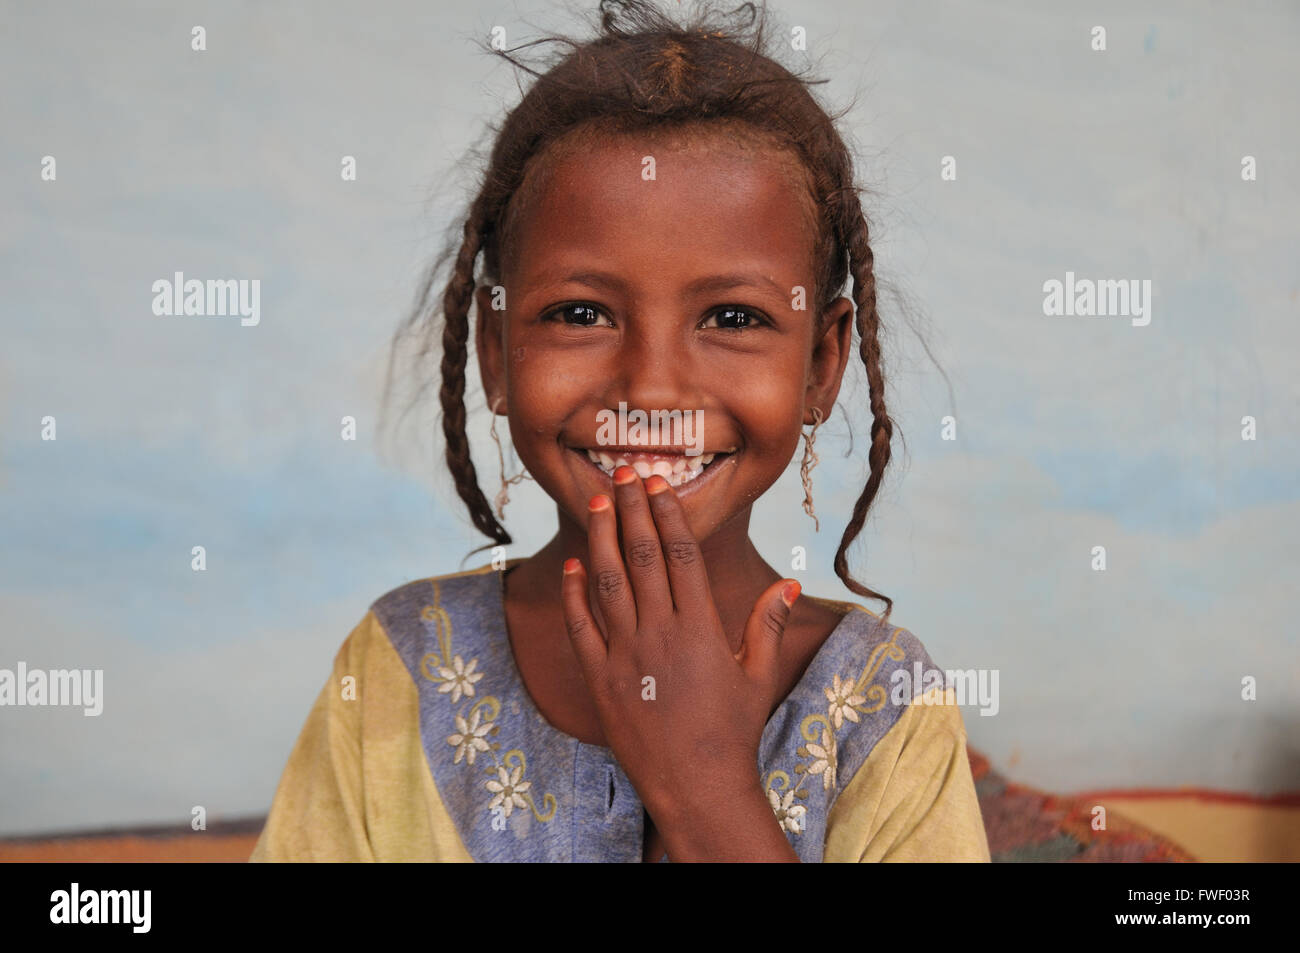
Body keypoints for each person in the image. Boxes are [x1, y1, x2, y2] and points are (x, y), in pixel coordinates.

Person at [250, 0, 990, 863]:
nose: (651, 385)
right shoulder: (399, 669)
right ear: (495, 351)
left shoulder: (882, 706)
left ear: (822, 365)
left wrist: (703, 784)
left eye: (732, 316)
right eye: (580, 311)